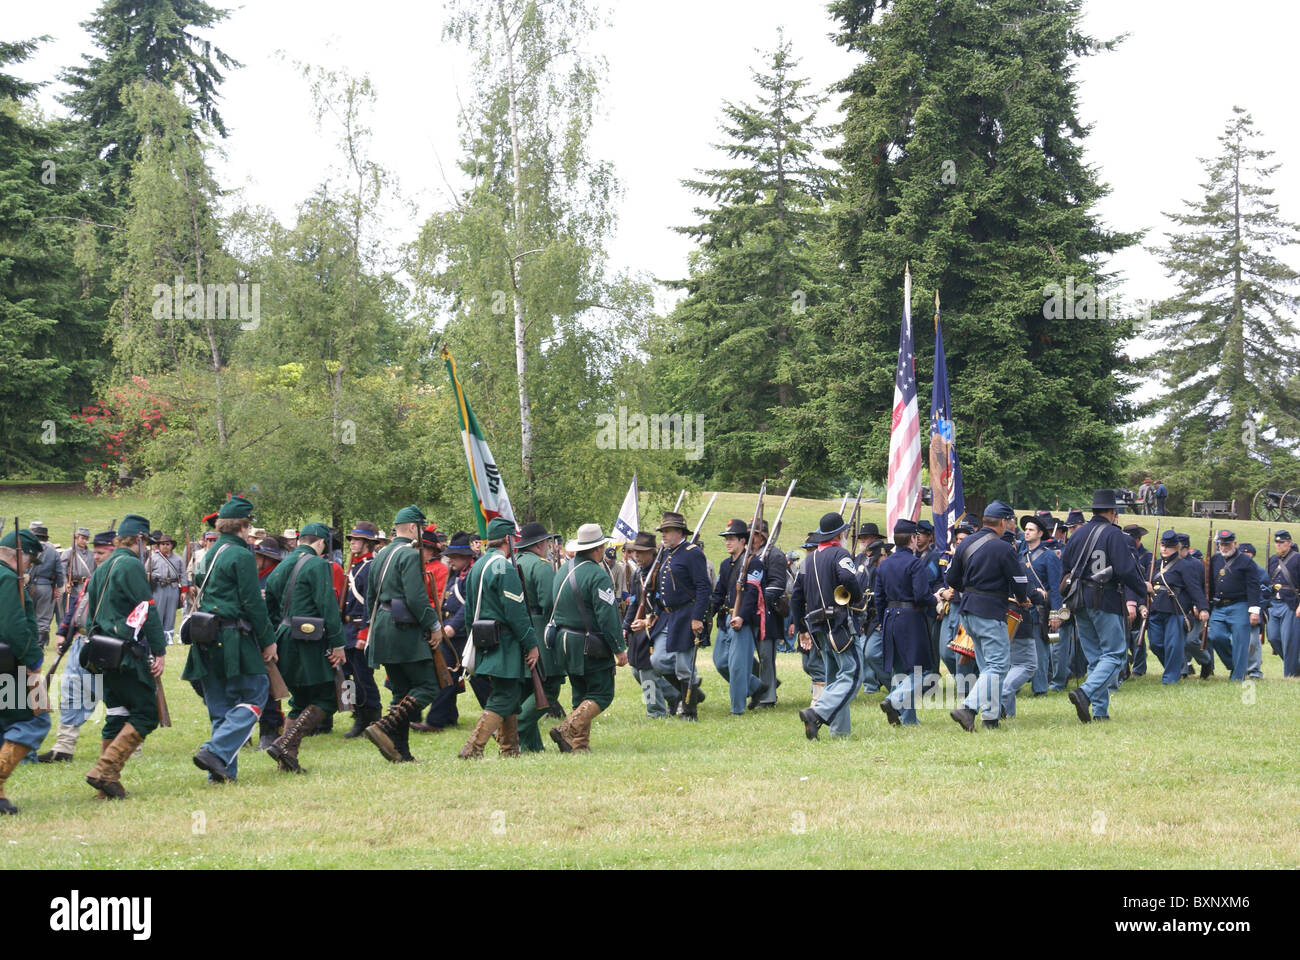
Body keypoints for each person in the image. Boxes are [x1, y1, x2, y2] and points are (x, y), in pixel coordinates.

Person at [183, 496, 277, 783]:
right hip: (233, 635)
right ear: (243, 526)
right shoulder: (241, 555)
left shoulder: (213, 552)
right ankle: (215, 751)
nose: (250, 532)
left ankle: (222, 772)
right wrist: (268, 640)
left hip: (208, 634)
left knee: (221, 705)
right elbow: (252, 603)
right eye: (249, 526)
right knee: (256, 693)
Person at [80, 515, 168, 799]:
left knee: (117, 713)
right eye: (148, 544)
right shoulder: (130, 565)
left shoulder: (103, 567)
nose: (150, 549)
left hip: (102, 651)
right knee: (146, 713)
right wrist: (160, 650)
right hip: (124, 653)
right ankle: (103, 770)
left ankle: (107, 787)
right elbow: (147, 608)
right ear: (139, 540)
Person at [1055, 491, 1149, 723]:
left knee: (1097, 658)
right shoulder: (1113, 535)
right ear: (1112, 512)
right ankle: (1085, 693)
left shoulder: (1077, 535)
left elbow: (1064, 567)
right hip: (1104, 599)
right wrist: (1142, 589)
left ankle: (1100, 712)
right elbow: (1126, 569)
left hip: (1079, 601)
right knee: (1116, 654)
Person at [263, 523, 346, 773]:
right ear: (320, 543)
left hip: (285, 636)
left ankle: (287, 760)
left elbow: (270, 606)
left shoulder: (282, 566)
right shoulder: (319, 565)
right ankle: (284, 743)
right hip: (310, 641)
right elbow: (327, 605)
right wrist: (338, 643)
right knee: (328, 698)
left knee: (300, 701)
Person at [362, 506, 443, 763]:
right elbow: (417, 598)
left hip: (383, 628)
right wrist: (434, 625)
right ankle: (385, 726)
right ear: (411, 528)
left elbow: (369, 598)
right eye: (420, 527)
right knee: (428, 687)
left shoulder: (380, 554)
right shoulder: (408, 555)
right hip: (404, 629)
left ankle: (400, 752)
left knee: (400, 692)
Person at [943, 501, 1030, 731]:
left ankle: (990, 718)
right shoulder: (1003, 548)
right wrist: (1022, 599)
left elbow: (951, 579)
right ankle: (969, 709)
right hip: (990, 612)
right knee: (999, 665)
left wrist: (971, 587)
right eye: (1010, 521)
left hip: (968, 610)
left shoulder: (965, 543)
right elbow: (1019, 581)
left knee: (988, 667)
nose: (1011, 525)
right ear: (1003, 522)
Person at [457, 517, 539, 759]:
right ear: (507, 540)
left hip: (485, 639)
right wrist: (531, 643)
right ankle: (474, 746)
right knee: (505, 695)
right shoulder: (503, 567)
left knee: (508, 691)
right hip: (504, 642)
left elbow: (469, 612)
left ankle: (509, 748)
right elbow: (516, 613)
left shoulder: (478, 566)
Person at [547, 524, 628, 752]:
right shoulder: (597, 575)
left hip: (563, 643)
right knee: (602, 693)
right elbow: (607, 616)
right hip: (588, 644)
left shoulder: (563, 570)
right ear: (598, 549)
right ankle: (566, 729)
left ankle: (578, 745)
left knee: (580, 694)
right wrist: (619, 648)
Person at [38, 531, 115, 763]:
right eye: (96, 552)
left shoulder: (122, 576)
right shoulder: (94, 577)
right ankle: (64, 747)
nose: (97, 556)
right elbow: (78, 606)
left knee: (113, 695)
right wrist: (63, 631)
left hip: (106, 646)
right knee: (70, 693)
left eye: (101, 552)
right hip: (81, 643)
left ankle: (125, 745)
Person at [792, 513, 863, 739]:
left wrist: (801, 627)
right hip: (838, 622)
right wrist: (858, 598)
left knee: (833, 678)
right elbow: (849, 578)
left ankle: (839, 732)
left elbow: (796, 596)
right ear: (840, 535)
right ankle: (817, 712)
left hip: (816, 627)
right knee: (853, 674)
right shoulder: (840, 553)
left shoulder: (807, 561)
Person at [0, 529, 50, 814]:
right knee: (37, 719)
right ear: (20, 555)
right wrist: (33, 660)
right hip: (11, 664)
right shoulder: (6, 578)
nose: (29, 567)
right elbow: (13, 627)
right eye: (29, 560)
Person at [647, 512, 710, 720]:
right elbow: (663, 589)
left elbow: (703, 587)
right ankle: (691, 694)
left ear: (679, 532)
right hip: (668, 616)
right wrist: (655, 612)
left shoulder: (692, 553)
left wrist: (698, 617)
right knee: (658, 660)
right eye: (662, 531)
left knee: (684, 667)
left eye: (667, 531)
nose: (663, 535)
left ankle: (690, 712)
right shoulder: (667, 553)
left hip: (687, 614)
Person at [424, 533, 488, 731]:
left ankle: (497, 714)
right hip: (451, 633)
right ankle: (439, 719)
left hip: (464, 633)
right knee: (446, 677)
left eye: (454, 556)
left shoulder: (473, 574)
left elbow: (469, 604)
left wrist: (452, 626)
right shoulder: (455, 574)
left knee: (478, 679)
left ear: (466, 557)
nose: (450, 559)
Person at [877, 520, 935, 726]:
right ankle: (894, 701)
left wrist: (880, 622)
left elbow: (879, 598)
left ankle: (907, 718)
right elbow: (921, 595)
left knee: (901, 670)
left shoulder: (884, 564)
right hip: (911, 617)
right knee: (922, 671)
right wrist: (935, 600)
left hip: (890, 616)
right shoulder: (914, 563)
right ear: (913, 538)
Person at [514, 521, 564, 751]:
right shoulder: (541, 566)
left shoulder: (513, 563)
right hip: (539, 628)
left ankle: (532, 748)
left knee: (529, 688)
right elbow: (550, 604)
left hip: (519, 630)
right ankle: (514, 728)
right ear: (540, 544)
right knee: (549, 687)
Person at [709, 519, 764, 716]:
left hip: (742, 621)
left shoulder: (754, 563)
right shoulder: (726, 565)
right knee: (720, 661)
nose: (727, 542)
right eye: (726, 539)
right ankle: (756, 687)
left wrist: (741, 616)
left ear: (743, 540)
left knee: (737, 667)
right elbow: (719, 592)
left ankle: (737, 709)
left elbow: (751, 594)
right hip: (725, 620)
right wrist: (709, 613)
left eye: (731, 538)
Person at [624, 532, 679, 718]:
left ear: (651, 553)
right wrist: (626, 626)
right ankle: (675, 695)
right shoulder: (638, 573)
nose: (636, 556)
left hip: (657, 625)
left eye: (640, 552)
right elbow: (633, 602)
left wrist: (647, 621)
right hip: (639, 626)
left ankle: (656, 711)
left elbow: (665, 603)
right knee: (636, 671)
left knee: (647, 671)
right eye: (634, 552)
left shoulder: (661, 571)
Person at [1147, 529, 1209, 684]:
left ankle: (1170, 678)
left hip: (1175, 609)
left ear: (1176, 547)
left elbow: (1194, 588)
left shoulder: (1185, 566)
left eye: (1169, 546)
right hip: (1155, 608)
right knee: (1155, 644)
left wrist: (1202, 607)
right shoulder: (1156, 564)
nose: (1165, 549)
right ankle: (1179, 665)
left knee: (1173, 646)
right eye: (1163, 545)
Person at [340, 522, 381, 738]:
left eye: (356, 539)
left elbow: (370, 604)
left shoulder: (371, 566)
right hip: (347, 630)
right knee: (348, 678)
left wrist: (364, 633)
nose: (352, 543)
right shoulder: (355, 567)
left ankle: (372, 717)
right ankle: (357, 715)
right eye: (352, 539)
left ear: (367, 543)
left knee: (363, 678)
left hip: (360, 630)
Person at [1206, 530, 1262, 682]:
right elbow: (1209, 584)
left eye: (1227, 544)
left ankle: (1238, 677)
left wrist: (1254, 611)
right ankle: (1234, 665)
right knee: (1215, 636)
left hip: (1240, 605)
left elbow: (1253, 587)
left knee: (1240, 642)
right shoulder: (1215, 559)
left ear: (1234, 544)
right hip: (1219, 606)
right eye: (1221, 544)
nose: (1224, 547)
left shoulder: (1246, 561)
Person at [1020, 515, 1062, 702]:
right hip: (1022, 609)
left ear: (1040, 534)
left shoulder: (1048, 556)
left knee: (1040, 651)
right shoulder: (1020, 555)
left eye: (1030, 530)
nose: (1026, 532)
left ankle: (1040, 687)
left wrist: (1055, 613)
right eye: (1026, 529)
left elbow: (1055, 587)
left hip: (1040, 610)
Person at [250, 537, 285, 751]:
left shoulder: (276, 578)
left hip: (271, 636)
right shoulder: (255, 577)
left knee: (270, 686)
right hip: (252, 636)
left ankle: (270, 729)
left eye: (258, 556)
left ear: (266, 558)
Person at [749, 518, 784, 709]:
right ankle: (765, 682)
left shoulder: (774, 555)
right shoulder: (749, 555)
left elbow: (778, 585)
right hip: (750, 611)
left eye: (753, 535)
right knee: (746, 654)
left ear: (761, 536)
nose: (749, 539)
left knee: (765, 655)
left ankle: (768, 697)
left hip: (768, 613)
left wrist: (759, 599)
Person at [1266, 531, 1300, 677]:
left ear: (1289, 543)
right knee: (1273, 638)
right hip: (1273, 603)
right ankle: (1296, 667)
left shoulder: (1298, 559)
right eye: (1277, 542)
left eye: (1282, 542)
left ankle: (1290, 674)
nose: (1278, 545)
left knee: (1289, 641)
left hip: (1290, 603)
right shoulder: (1273, 559)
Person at [1120, 524, 1152, 681]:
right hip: (1124, 599)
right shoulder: (1122, 554)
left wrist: (1140, 604)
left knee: (1137, 636)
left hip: (1140, 599)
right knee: (1124, 637)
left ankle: (1139, 668)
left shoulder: (1146, 556)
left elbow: (1144, 582)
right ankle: (1124, 668)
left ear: (1138, 539)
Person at [26, 523, 63, 647]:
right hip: (46, 587)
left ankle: (28, 642)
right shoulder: (53, 551)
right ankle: (40, 644)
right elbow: (59, 571)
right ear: (45, 538)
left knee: (27, 614)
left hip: (28, 586)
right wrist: (59, 587)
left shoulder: (28, 549)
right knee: (42, 618)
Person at [146, 533, 184, 645]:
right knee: (159, 612)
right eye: (163, 544)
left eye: (168, 544)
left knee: (171, 613)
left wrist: (184, 591)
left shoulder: (178, 559)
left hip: (173, 588)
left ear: (171, 545)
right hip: (158, 588)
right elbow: (146, 572)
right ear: (159, 546)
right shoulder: (153, 558)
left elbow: (183, 574)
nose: (165, 546)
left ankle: (169, 637)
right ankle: (158, 636)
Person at [60, 527, 95, 618]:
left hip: (88, 588)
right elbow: (62, 569)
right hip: (73, 589)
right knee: (70, 615)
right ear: (77, 538)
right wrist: (65, 583)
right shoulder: (68, 552)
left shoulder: (92, 554)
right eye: (82, 538)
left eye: (86, 539)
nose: (84, 541)